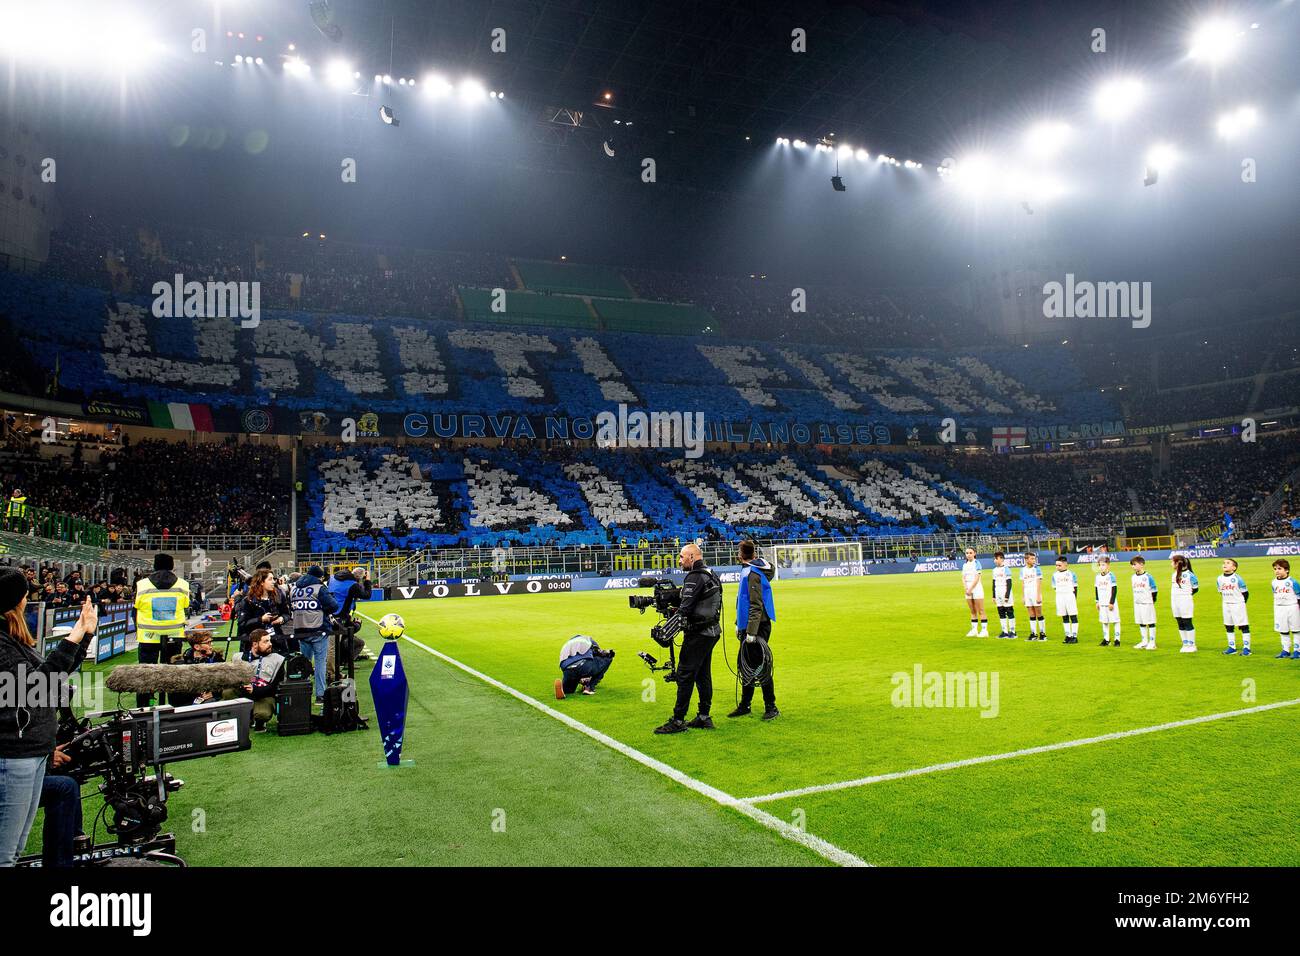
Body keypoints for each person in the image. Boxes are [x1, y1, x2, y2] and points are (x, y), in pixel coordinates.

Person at [0, 569, 96, 867]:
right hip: (13, 758)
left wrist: (85, 634)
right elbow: (34, 688)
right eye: (27, 596)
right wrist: (76, 635)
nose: (29, 601)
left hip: (30, 754)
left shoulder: (13, 641)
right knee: (6, 854)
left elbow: (54, 678)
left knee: (12, 851)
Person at [654, 543, 722, 735]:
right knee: (703, 674)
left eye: (682, 557)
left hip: (698, 633)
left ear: (692, 557)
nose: (679, 560)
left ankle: (677, 720)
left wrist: (665, 632)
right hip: (712, 631)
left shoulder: (694, 576)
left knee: (685, 674)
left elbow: (685, 609)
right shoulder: (711, 573)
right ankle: (703, 716)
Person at [727, 540, 778, 720]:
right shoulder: (750, 570)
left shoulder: (752, 573)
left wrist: (751, 632)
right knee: (746, 665)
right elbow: (744, 601)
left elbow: (755, 605)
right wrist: (737, 623)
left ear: (741, 554)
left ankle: (771, 706)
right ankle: (745, 704)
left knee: (759, 666)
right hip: (749, 624)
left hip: (757, 626)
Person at [133, 553, 191, 707]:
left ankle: (145, 708)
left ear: (154, 566)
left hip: (148, 638)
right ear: (172, 566)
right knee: (173, 675)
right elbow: (186, 606)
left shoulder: (142, 584)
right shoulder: (183, 584)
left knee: (146, 677)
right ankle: (174, 707)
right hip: (174, 637)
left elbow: (136, 607)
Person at [290, 565, 338, 703]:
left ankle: (302, 695)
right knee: (320, 663)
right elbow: (333, 606)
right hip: (318, 629)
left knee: (302, 664)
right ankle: (320, 694)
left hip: (300, 629)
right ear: (320, 576)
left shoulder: (295, 588)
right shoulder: (319, 588)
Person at [226, 629, 285, 732]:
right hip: (243, 692)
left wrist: (255, 690)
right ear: (254, 644)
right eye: (265, 641)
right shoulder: (238, 657)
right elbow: (230, 679)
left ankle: (260, 722)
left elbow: (275, 687)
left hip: (264, 694)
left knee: (262, 714)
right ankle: (242, 718)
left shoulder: (278, 659)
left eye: (269, 640)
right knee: (227, 692)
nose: (270, 644)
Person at [237, 568, 290, 655]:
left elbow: (287, 614)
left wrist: (281, 619)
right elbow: (242, 624)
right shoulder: (248, 601)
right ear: (261, 582)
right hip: (256, 646)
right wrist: (260, 619)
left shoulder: (278, 597)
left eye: (273, 579)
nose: (273, 582)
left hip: (276, 643)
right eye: (270, 579)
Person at [554, 634, 615, 699]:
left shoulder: (568, 644)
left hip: (567, 670)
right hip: (583, 666)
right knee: (608, 657)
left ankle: (564, 689)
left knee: (569, 690)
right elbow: (599, 652)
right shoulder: (589, 640)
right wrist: (608, 652)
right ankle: (589, 687)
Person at [1217, 559, 1251, 656]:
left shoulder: (1237, 578)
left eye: (1228, 563)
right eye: (1224, 563)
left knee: (1243, 625)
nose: (1225, 564)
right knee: (1228, 625)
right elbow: (1220, 591)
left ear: (1234, 568)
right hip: (1226, 604)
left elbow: (1245, 593)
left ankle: (1247, 648)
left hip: (1238, 604)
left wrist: (1241, 603)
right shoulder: (1219, 578)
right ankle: (1232, 647)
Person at [1271, 559, 1300, 660]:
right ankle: (1285, 650)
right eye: (1275, 569)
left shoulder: (1293, 582)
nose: (1277, 571)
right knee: (1283, 630)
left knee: (1296, 630)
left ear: (1287, 570)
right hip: (1279, 608)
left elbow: (1299, 597)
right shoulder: (1274, 582)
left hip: (1292, 607)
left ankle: (1297, 650)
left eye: (1279, 568)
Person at [1170, 554, 1199, 653]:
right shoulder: (1174, 574)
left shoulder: (1190, 575)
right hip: (1175, 600)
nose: (1171, 564)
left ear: (1178, 563)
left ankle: (1192, 644)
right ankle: (1185, 643)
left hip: (1185, 600)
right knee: (1179, 622)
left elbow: (1195, 589)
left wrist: (1186, 595)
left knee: (1187, 622)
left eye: (1172, 562)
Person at [1130, 556, 1159, 650]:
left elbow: (1154, 590)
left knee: (1150, 622)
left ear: (1142, 564)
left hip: (1147, 603)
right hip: (1137, 603)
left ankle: (1152, 642)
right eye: (1132, 565)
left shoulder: (1148, 577)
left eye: (1134, 564)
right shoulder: (1133, 577)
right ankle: (1144, 641)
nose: (1133, 566)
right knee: (1141, 622)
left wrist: (1153, 600)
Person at [1052, 555, 1079, 644]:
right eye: (1056, 565)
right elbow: (1055, 587)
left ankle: (1074, 636)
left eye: (1059, 565)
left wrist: (1074, 598)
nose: (1057, 567)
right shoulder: (1054, 575)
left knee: (1073, 616)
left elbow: (1075, 587)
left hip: (1069, 596)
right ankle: (1068, 635)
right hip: (1059, 596)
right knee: (1064, 616)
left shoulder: (1072, 574)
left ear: (1065, 564)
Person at [1094, 556, 1121, 647]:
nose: (1101, 567)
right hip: (1102, 603)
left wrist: (1111, 602)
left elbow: (1114, 589)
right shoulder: (1097, 577)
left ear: (1108, 565)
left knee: (1115, 621)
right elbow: (1096, 589)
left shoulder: (1111, 576)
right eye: (1100, 565)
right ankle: (1106, 639)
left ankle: (1117, 640)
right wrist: (1097, 601)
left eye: (1103, 565)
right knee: (1104, 621)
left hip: (1110, 603)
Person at [961, 547, 987, 637]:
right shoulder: (965, 565)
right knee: (972, 610)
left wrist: (970, 589)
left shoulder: (977, 563)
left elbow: (977, 578)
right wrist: (966, 588)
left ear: (974, 553)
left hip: (976, 588)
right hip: (968, 588)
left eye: (970, 553)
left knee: (981, 610)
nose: (968, 554)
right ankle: (974, 630)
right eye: (967, 553)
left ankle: (984, 630)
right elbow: (963, 577)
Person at [1021, 552, 1046, 641]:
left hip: (1035, 592)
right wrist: (1023, 596)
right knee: (1031, 614)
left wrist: (1038, 595)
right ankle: (1033, 634)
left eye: (1034, 559)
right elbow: (1023, 583)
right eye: (1032, 559)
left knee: (1038, 613)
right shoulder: (1022, 570)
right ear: (1026, 560)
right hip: (1027, 593)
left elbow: (1039, 582)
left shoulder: (1037, 569)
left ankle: (1043, 633)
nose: (1034, 560)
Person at [991, 551, 1016, 639]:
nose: (994, 560)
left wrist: (1007, 595)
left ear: (1001, 559)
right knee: (1001, 611)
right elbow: (993, 583)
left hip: (1005, 592)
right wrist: (993, 596)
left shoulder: (1006, 569)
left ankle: (1012, 631)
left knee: (1009, 611)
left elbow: (1009, 583)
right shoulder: (994, 570)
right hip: (998, 593)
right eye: (994, 559)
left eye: (996, 558)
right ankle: (1004, 631)